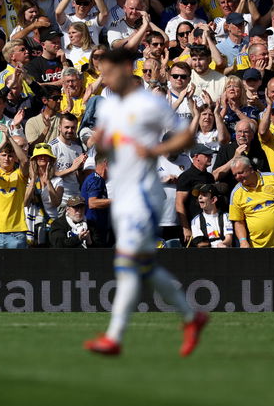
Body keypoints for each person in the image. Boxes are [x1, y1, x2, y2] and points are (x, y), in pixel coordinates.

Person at [83, 47, 206, 358]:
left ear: (126, 68)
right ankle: (192, 317)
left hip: (143, 194)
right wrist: (102, 145)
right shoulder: (109, 108)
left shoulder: (149, 103)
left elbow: (185, 138)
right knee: (144, 266)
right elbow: (110, 147)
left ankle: (114, 337)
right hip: (121, 195)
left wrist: (152, 152)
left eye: (110, 72)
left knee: (126, 265)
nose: (106, 79)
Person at [229, 156, 274, 248]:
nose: (238, 177)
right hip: (258, 247)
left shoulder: (273, 178)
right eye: (235, 175)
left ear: (250, 169)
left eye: (240, 172)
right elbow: (238, 221)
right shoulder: (236, 193)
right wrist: (243, 241)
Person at [188, 183, 233, 248]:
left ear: (213, 200)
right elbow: (200, 243)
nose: (199, 197)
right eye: (199, 195)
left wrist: (222, 244)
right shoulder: (196, 220)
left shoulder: (225, 216)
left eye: (204, 195)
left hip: (225, 251)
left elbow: (229, 239)